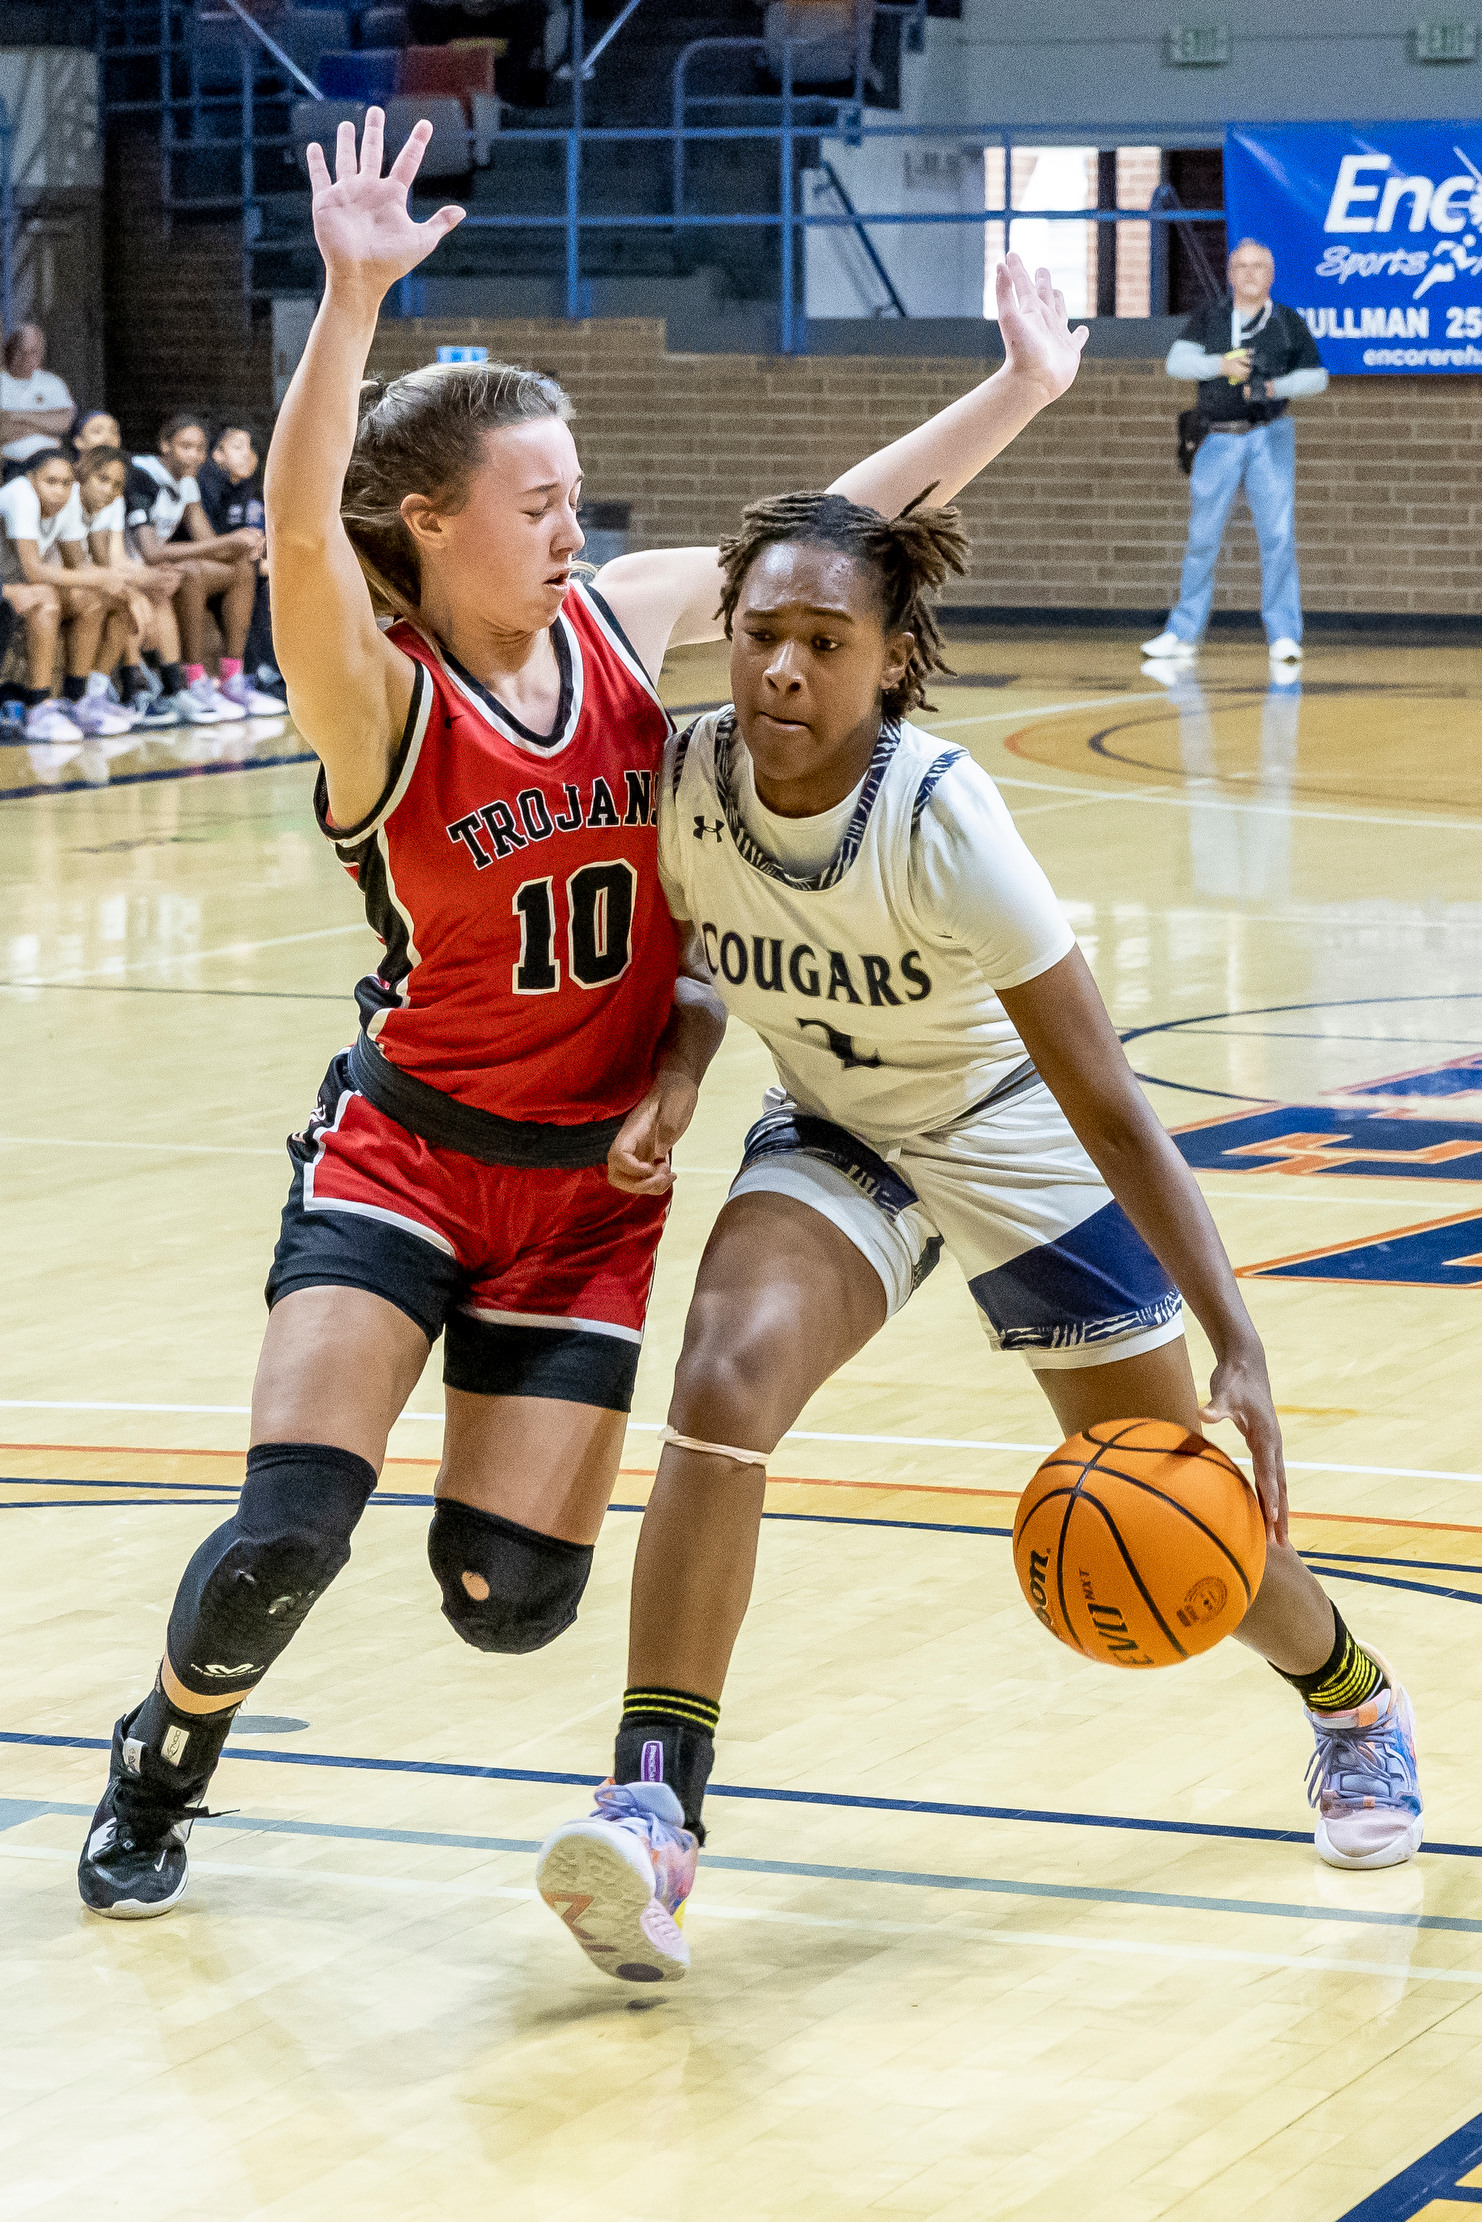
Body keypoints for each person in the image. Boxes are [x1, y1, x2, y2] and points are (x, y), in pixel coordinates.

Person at [75, 111, 1085, 1925]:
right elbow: (298, 530)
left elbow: (834, 543)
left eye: (572, 494)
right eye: (536, 502)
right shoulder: (374, 694)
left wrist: (1018, 385)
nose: (573, 522)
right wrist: (353, 297)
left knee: (509, 1601)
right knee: (287, 1531)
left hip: (589, 1189)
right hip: (411, 1155)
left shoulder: (620, 626)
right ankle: (166, 1749)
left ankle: (479, 1586)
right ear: (434, 523)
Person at [536, 487, 1424, 1985]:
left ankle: (1348, 1696)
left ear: (890, 657)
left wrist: (1242, 1339)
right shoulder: (686, 777)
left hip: (1012, 1132)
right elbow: (693, 948)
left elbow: (1112, 1102)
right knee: (719, 1379)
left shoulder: (940, 818)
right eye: (759, 637)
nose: (781, 673)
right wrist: (683, 1072)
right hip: (832, 1123)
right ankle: (653, 1815)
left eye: (824, 642)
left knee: (1171, 1506)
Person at [1143, 239, 1328, 668]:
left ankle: (1284, 635)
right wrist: (1219, 366)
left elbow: (1317, 376)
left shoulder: (1286, 322)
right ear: (1229, 273)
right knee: (1202, 537)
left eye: (1258, 266)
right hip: (1218, 436)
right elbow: (1175, 362)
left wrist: (1276, 387)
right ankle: (1182, 632)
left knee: (1278, 537)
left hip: (1270, 434)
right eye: (1240, 266)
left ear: (1272, 274)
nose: (1248, 274)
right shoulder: (1210, 317)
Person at [125, 414, 282, 719]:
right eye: (186, 446)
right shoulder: (142, 474)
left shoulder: (187, 481)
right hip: (133, 566)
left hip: (160, 565)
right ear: (164, 444)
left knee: (241, 566)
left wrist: (241, 545)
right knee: (195, 570)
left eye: (199, 448)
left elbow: (206, 540)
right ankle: (194, 679)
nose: (194, 455)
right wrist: (228, 543)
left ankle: (232, 677)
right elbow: (151, 551)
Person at [0, 447, 137, 741]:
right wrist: (100, 577)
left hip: (19, 586)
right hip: (8, 586)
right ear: (31, 478)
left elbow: (79, 566)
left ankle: (79, 702)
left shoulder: (66, 503)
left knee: (92, 601)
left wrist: (127, 594)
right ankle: (39, 708)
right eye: (51, 482)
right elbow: (35, 571)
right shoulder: (21, 494)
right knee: (46, 598)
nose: (60, 491)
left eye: (66, 484)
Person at [69, 447, 184, 731]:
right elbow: (76, 565)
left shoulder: (112, 504)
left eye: (117, 484)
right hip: (59, 578)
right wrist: (132, 592)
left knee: (128, 600)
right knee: (109, 600)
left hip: (83, 577)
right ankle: (106, 695)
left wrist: (140, 585)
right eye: (102, 479)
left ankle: (97, 696)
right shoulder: (70, 499)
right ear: (84, 475)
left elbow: (110, 561)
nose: (109, 489)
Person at [199, 419, 279, 689]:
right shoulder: (206, 485)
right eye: (236, 447)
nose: (247, 454)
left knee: (268, 578)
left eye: (251, 448)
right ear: (216, 455)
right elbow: (208, 542)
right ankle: (254, 670)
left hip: (234, 564)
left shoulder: (247, 488)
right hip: (200, 564)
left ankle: (268, 669)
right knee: (257, 577)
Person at [1, 325, 76, 474]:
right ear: (11, 350)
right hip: (10, 463)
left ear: (41, 353)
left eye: (33, 352)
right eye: (22, 351)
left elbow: (63, 422)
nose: (27, 358)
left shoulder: (52, 383)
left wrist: (16, 416)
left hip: (49, 460)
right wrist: (43, 423)